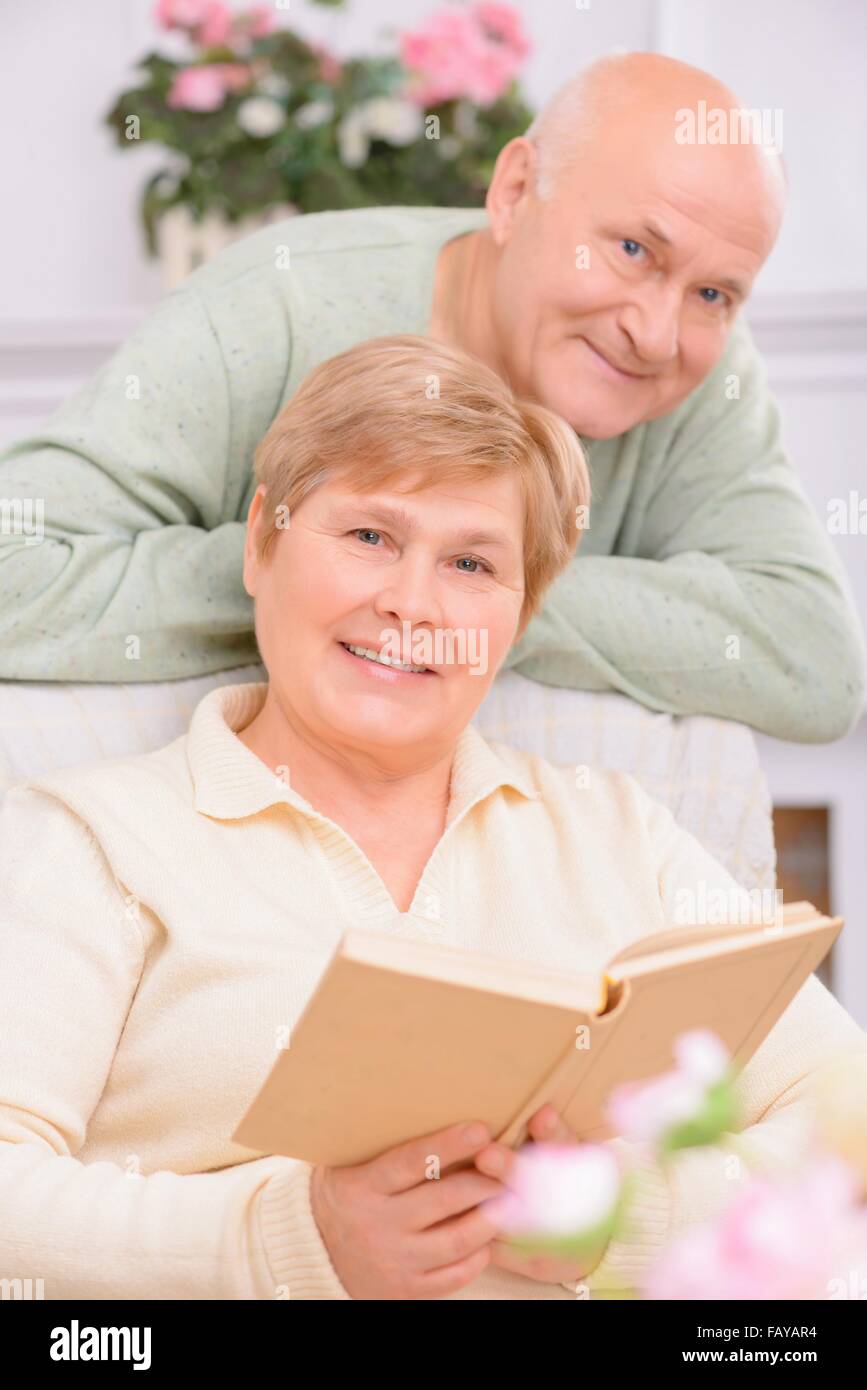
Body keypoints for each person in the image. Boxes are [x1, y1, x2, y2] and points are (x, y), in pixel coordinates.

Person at [1, 335, 864, 1300]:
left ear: (520, 613)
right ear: (262, 544)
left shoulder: (620, 831)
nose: (412, 604)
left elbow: (847, 1120)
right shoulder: (89, 843)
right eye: (369, 536)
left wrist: (624, 1213)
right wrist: (290, 1241)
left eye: (470, 562)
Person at [0, 52, 863, 740]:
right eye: (633, 249)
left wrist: (480, 598)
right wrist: (304, 575)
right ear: (515, 191)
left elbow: (815, 663)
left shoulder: (703, 374)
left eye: (714, 294)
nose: (657, 332)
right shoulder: (276, 303)